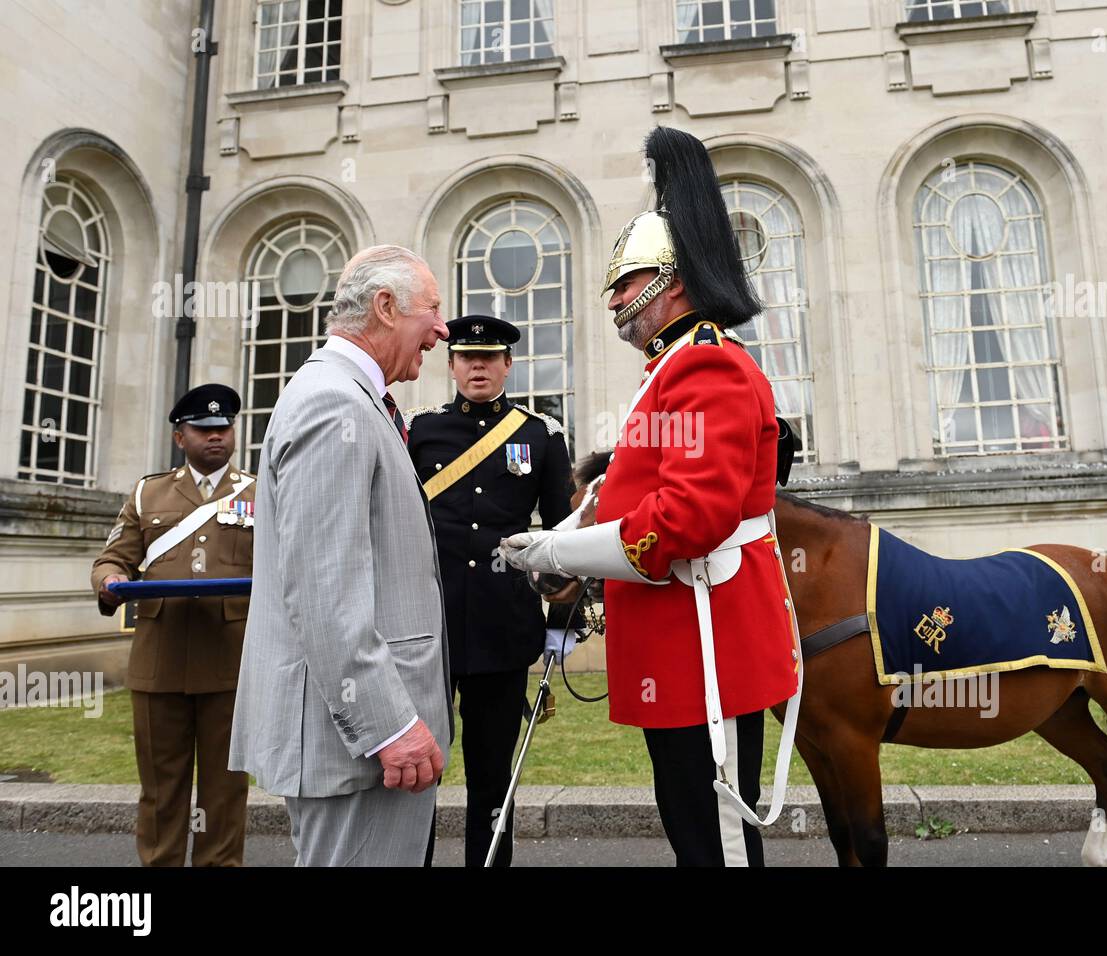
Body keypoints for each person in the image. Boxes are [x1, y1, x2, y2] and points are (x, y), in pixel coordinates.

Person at [500, 127, 801, 866]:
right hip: (681, 635)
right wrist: (578, 520)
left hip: (708, 637)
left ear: (670, 283)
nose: (613, 299)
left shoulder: (706, 368)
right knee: (689, 824)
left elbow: (688, 520)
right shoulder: (670, 372)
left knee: (717, 840)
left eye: (625, 282)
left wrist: (558, 549)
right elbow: (632, 488)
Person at [228, 244, 455, 867]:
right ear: (385, 307)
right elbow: (325, 592)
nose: (442, 328)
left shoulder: (353, 396)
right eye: (432, 309)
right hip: (356, 744)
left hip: (360, 741)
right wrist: (386, 725)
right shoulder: (335, 404)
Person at [405, 314, 576, 867]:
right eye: (466, 358)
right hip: (430, 628)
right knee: (417, 774)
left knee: (493, 779)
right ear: (451, 364)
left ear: (507, 364)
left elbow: (560, 536)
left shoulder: (539, 435)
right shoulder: (419, 431)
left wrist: (559, 623)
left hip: (504, 629)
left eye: (490, 357)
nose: (477, 366)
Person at [91, 383, 256, 866]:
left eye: (223, 428)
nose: (216, 437)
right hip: (159, 665)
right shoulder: (148, 492)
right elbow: (112, 557)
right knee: (162, 793)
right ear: (179, 437)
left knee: (224, 795)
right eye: (202, 430)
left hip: (230, 664)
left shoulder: (260, 491)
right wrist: (112, 579)